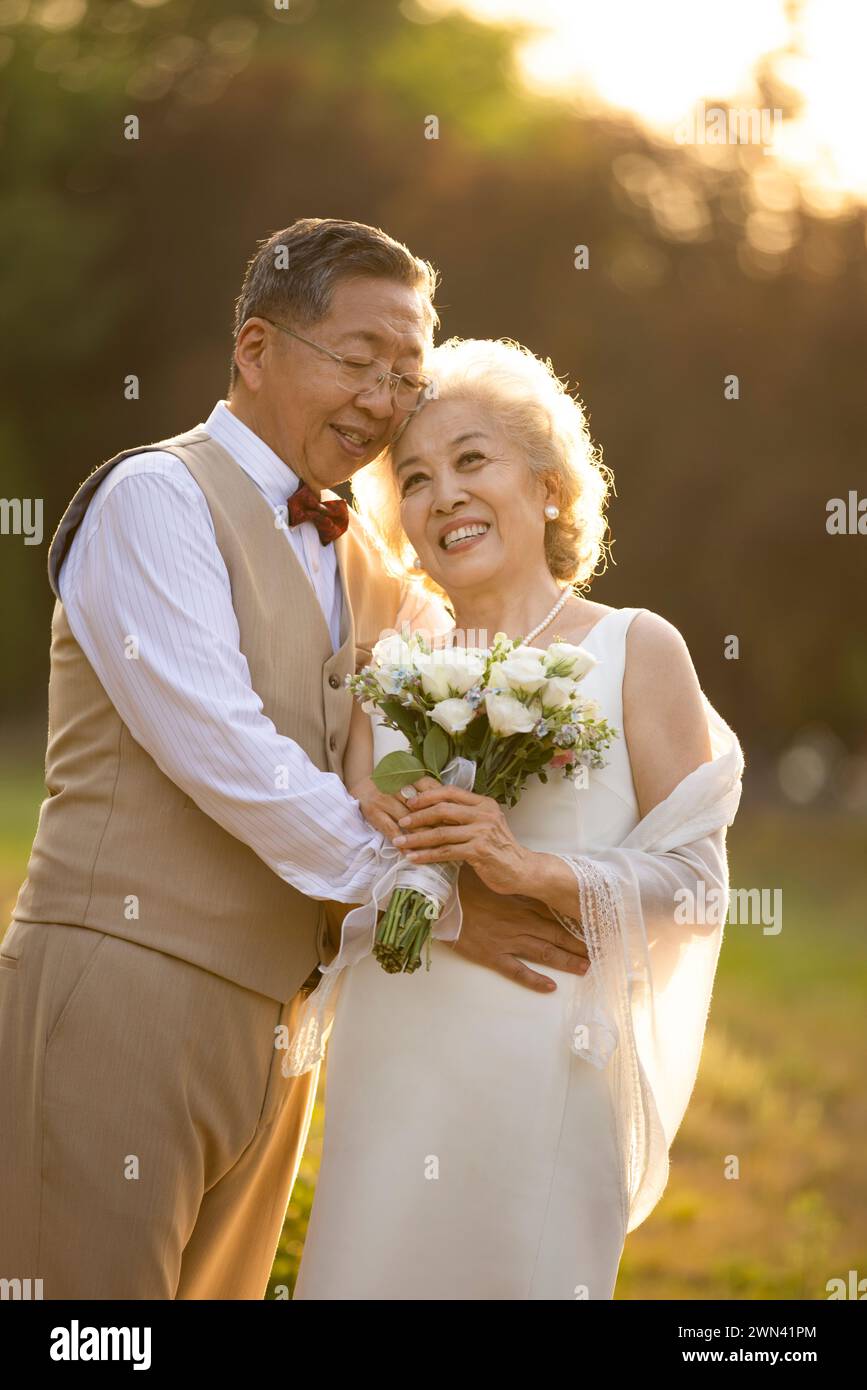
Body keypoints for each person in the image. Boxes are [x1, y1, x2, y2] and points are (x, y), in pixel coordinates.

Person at [0, 222, 588, 1300]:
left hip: (286, 1038)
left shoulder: (368, 559)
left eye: (404, 378)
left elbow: (479, 685)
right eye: (359, 362)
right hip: (122, 997)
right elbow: (227, 752)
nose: (380, 398)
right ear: (256, 349)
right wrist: (437, 907)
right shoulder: (154, 499)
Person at [293, 336, 745, 1300]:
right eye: (413, 479)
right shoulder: (386, 672)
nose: (442, 494)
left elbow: (699, 886)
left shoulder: (637, 649)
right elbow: (339, 883)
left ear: (547, 486)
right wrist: (439, 907)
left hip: (546, 1060)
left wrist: (530, 870)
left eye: (470, 460)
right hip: (397, 1052)